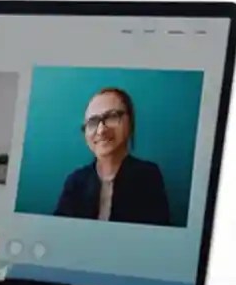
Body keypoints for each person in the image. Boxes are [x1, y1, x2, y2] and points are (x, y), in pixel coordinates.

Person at [54, 87, 171, 226]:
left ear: (130, 123)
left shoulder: (148, 176)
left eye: (112, 117)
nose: (101, 130)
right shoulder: (75, 181)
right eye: (92, 122)